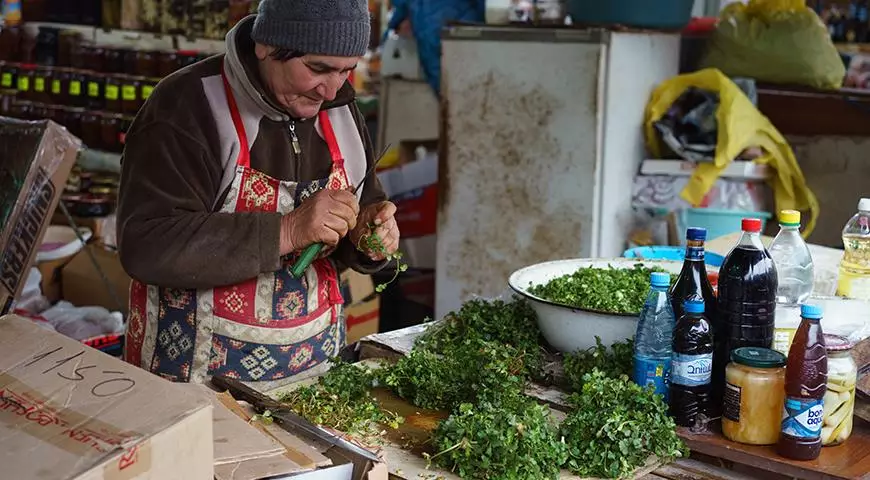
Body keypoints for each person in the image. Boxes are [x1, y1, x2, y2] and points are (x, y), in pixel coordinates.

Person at [116, 0, 400, 389]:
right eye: (318, 68)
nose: (332, 88)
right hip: (194, 384)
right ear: (266, 46)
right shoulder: (189, 106)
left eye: (347, 70)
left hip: (313, 379)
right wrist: (287, 230)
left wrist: (370, 239)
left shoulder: (339, 108)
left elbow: (364, 208)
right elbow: (145, 245)